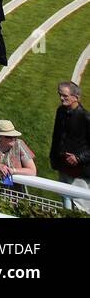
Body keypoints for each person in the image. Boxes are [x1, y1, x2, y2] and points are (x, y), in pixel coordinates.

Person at [50, 81, 90, 213]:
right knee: (65, 202)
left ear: (76, 98)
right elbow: (56, 137)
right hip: (63, 165)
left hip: (80, 171)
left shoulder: (86, 117)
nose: (61, 98)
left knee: (81, 206)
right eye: (60, 95)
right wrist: (54, 158)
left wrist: (79, 158)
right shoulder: (60, 111)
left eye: (65, 96)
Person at [0, 120, 37, 186]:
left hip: (14, 188)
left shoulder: (20, 144)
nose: (13, 139)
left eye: (15, 136)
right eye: (9, 137)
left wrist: (13, 170)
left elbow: (32, 171)